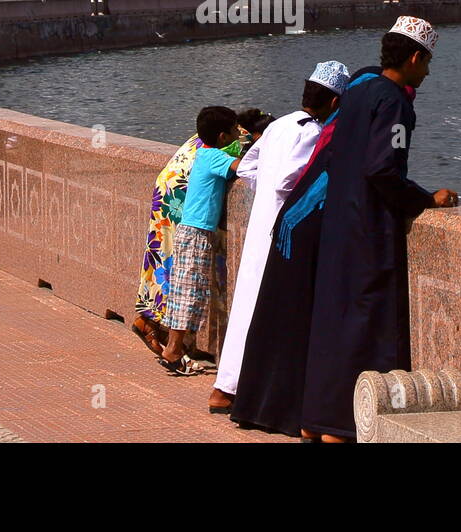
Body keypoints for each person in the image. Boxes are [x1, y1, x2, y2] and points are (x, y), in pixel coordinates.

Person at [299, 16, 457, 442]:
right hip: (368, 226)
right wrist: (426, 199)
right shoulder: (395, 103)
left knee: (333, 319)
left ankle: (315, 419)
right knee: (366, 324)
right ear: (413, 57)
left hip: (337, 222)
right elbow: (383, 168)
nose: (427, 72)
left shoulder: (357, 89)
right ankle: (342, 426)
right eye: (426, 63)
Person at [209, 61, 348, 415]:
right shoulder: (313, 133)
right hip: (282, 230)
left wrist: (265, 193)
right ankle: (248, 387)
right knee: (265, 306)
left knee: (246, 303)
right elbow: (290, 179)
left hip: (260, 224)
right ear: (334, 103)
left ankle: (226, 385)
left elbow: (248, 167)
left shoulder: (279, 124)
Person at [132, 120, 244, 356]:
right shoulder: (238, 136)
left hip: (169, 189)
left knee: (164, 257)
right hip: (181, 198)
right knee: (180, 270)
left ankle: (149, 320)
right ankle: (160, 329)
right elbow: (243, 166)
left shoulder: (206, 133)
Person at [158, 106, 242, 376]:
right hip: (197, 233)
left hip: (190, 231)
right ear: (221, 137)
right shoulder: (214, 156)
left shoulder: (203, 154)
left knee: (184, 290)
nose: (237, 136)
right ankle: (173, 350)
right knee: (189, 293)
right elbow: (241, 168)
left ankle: (175, 349)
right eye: (234, 132)